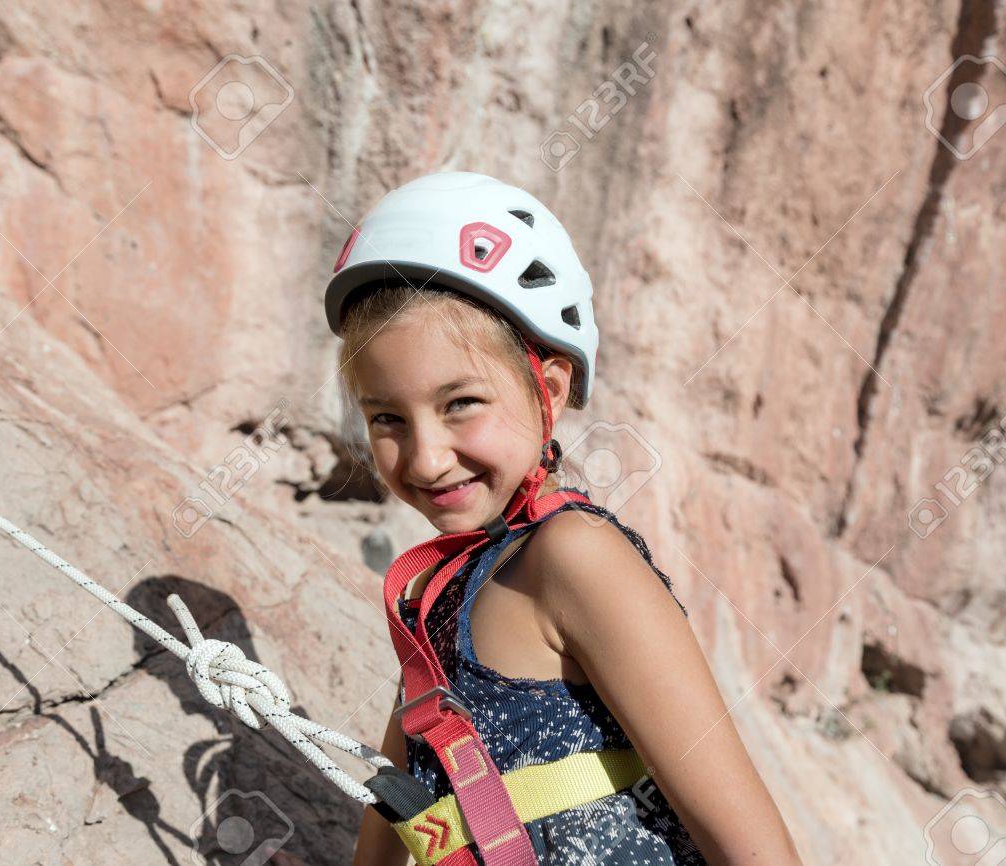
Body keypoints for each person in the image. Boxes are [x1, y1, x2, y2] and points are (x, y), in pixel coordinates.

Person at [325, 171, 802, 865]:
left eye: (461, 404)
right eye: (387, 418)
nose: (426, 460)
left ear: (546, 390)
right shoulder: (433, 600)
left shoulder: (576, 556)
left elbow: (756, 853)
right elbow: (402, 821)